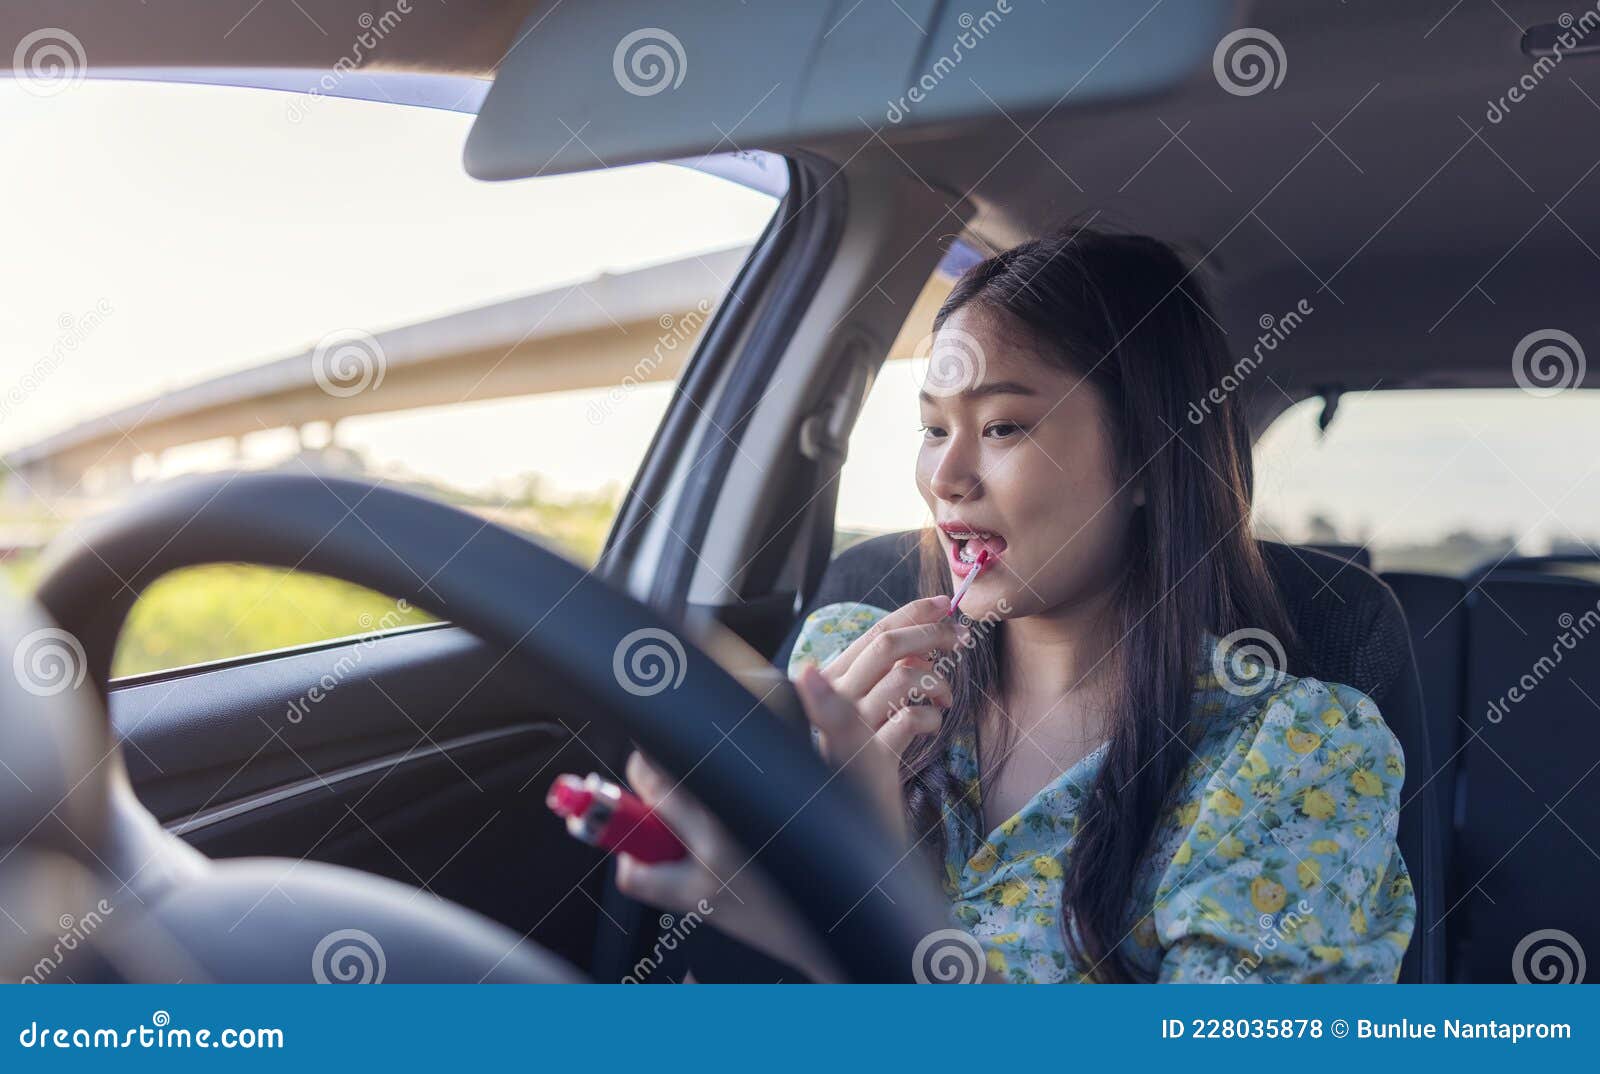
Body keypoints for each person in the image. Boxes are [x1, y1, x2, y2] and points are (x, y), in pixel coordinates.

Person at [612, 224, 1416, 983]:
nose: (946, 477)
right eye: (933, 430)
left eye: (1001, 427)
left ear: (1146, 455)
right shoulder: (844, 666)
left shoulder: (1299, 753)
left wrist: (870, 909)